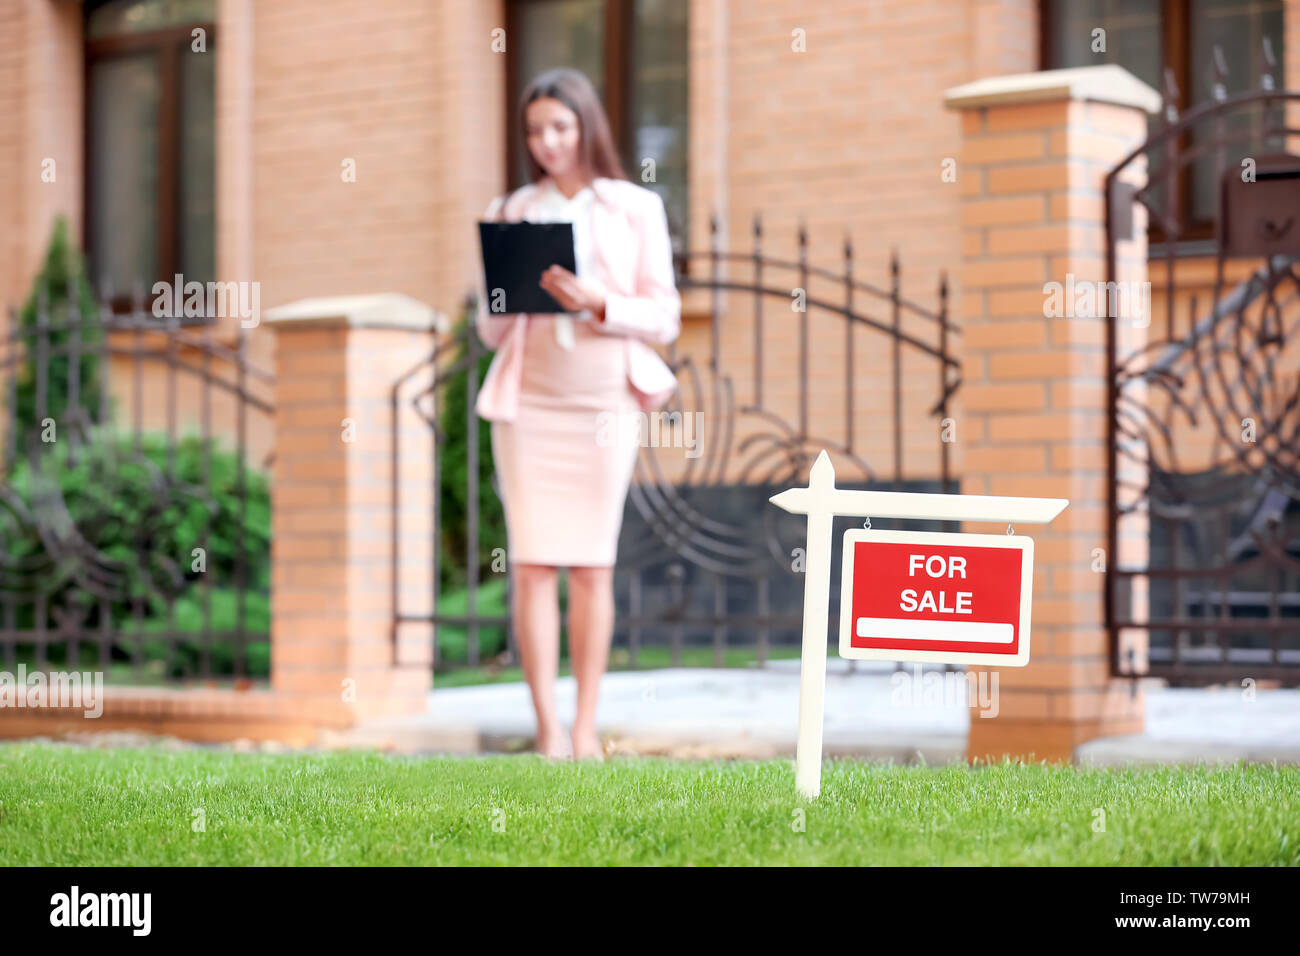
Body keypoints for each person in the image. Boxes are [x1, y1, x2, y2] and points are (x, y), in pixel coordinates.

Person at [474, 67, 681, 760]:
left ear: (586, 124)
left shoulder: (633, 208)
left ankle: (587, 727)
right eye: (535, 131)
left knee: (591, 565)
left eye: (560, 127)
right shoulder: (511, 210)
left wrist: (597, 300)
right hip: (529, 403)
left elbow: (665, 316)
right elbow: (489, 329)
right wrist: (511, 294)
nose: (548, 142)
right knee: (533, 565)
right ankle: (548, 730)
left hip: (602, 402)